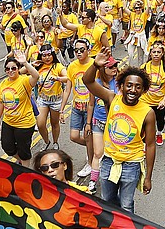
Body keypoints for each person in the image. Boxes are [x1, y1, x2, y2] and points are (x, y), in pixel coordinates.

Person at [83, 54, 156, 213]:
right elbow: (87, 81)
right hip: (109, 160)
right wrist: (95, 65)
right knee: (107, 201)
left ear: (143, 90)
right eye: (129, 85)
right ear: (121, 87)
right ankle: (114, 226)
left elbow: (150, 145)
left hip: (132, 164)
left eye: (138, 87)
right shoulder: (111, 98)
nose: (133, 90)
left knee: (127, 204)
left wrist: (148, 177)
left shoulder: (148, 113)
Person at [0, 51, 40, 166]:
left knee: (24, 150)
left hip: (24, 123)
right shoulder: (3, 83)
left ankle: (26, 171)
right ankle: (22, 160)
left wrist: (25, 62)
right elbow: (1, 102)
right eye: (7, 69)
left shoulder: (24, 80)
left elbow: (36, 76)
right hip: (8, 122)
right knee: (7, 147)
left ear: (18, 69)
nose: (10, 71)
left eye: (13, 68)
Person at [61, 39, 95, 178]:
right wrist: (62, 109)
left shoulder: (93, 65)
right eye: (76, 50)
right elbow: (68, 89)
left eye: (82, 49)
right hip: (76, 107)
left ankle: (91, 162)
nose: (79, 53)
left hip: (90, 108)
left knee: (88, 136)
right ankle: (94, 148)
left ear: (88, 50)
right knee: (74, 136)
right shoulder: (72, 66)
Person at [85, 55, 119, 194]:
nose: (114, 69)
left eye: (115, 65)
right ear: (103, 69)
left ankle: (113, 181)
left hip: (115, 124)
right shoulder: (96, 83)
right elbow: (91, 104)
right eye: (111, 67)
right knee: (98, 153)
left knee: (114, 154)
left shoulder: (120, 83)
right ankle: (93, 181)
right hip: (98, 122)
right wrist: (88, 123)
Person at [35, 45, 68, 151]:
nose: (47, 57)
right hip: (42, 100)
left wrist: (58, 78)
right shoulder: (38, 67)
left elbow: (67, 78)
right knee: (40, 124)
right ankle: (46, 142)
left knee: (54, 123)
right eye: (44, 55)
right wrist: (31, 65)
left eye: (49, 55)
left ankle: (55, 142)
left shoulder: (57, 66)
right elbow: (21, 72)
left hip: (56, 101)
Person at [141, 42, 165, 146]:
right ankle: (145, 140)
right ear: (150, 54)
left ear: (162, 54)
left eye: (158, 52)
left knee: (160, 121)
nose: (156, 54)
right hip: (145, 101)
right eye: (154, 52)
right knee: (145, 121)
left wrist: (164, 100)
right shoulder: (144, 67)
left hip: (160, 101)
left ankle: (159, 133)